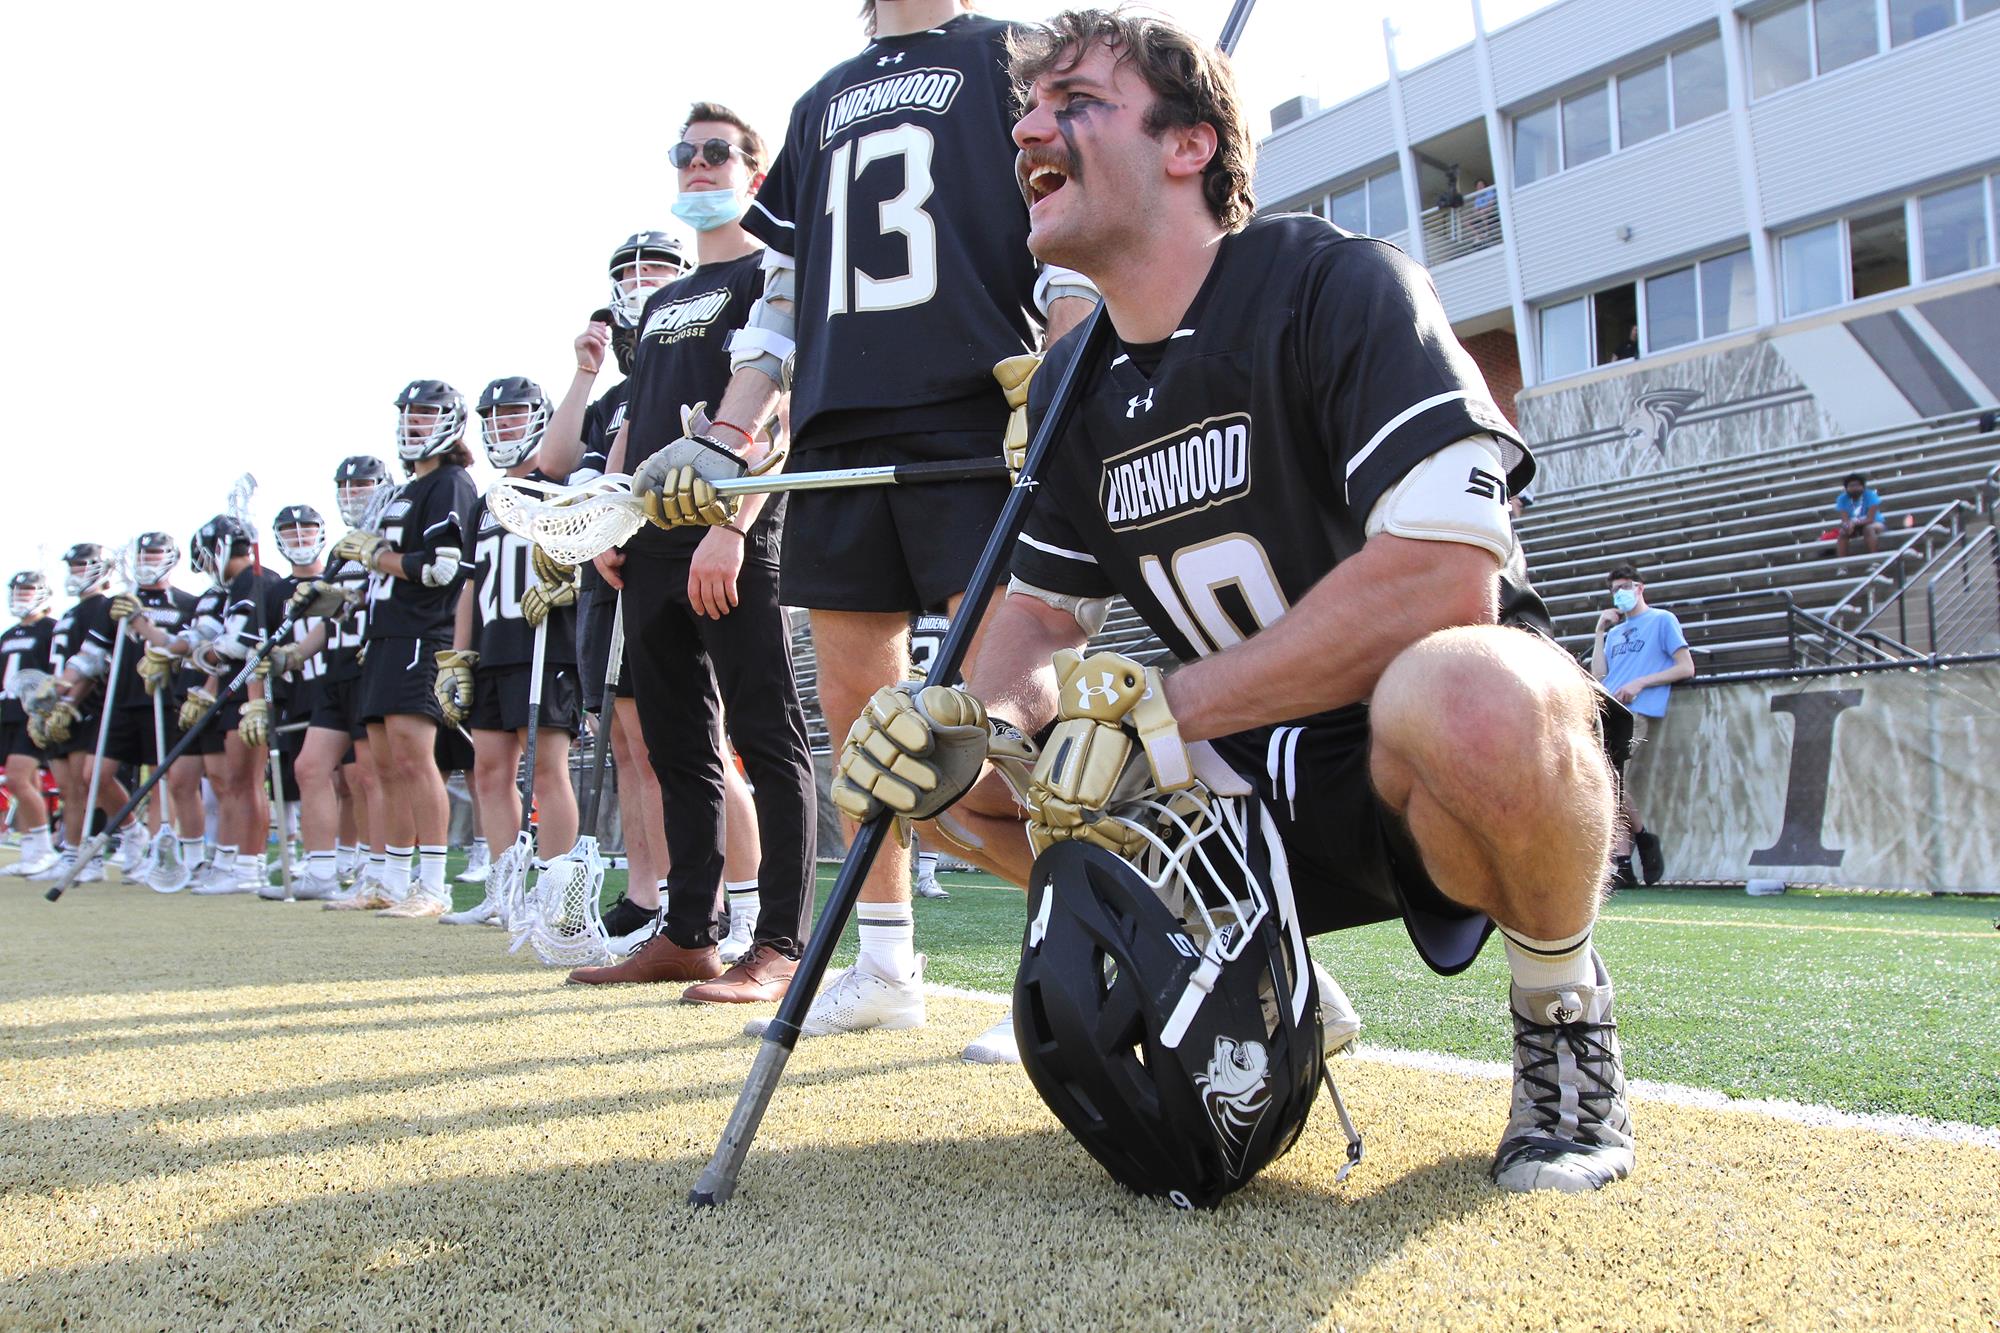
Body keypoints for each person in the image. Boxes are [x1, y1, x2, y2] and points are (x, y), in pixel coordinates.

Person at [825, 8, 1633, 1193]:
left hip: (1408, 755)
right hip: (1232, 785)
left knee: (1470, 683)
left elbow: (1443, 577)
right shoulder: (1070, 380)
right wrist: (968, 722)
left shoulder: (1336, 285)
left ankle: (1561, 1011)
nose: (1028, 129)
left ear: (1189, 144)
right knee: (935, 770)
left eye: (1075, 103)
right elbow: (1037, 621)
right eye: (1026, 112)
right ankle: (1268, 972)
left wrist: (1162, 709)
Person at [643, 0, 1096, 1051]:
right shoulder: (816, 102)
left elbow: (1066, 220)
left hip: (976, 403)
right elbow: (784, 293)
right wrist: (726, 432)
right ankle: (886, 956)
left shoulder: (1011, 52)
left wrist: (1065, 369)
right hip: (841, 429)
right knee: (858, 713)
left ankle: (1087, 934)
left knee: (1009, 716)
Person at [566, 102, 816, 1002]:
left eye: (719, 153)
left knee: (765, 735)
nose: (698, 167)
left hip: (734, 537)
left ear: (754, 173)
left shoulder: (773, 272)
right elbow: (638, 420)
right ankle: (688, 932)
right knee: (678, 747)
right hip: (653, 547)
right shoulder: (665, 299)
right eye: (686, 154)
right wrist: (611, 522)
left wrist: (734, 525)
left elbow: (780, 401)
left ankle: (782, 943)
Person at [541, 233, 692, 936]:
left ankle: (704, 895)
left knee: (679, 745)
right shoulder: (615, 396)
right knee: (630, 746)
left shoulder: (683, 371)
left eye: (657, 269)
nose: (642, 283)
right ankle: (644, 891)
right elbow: (556, 458)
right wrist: (584, 371)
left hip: (659, 560)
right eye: (630, 274)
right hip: (604, 577)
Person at [435, 377, 583, 927]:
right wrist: (458, 657)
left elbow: (587, 550)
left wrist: (571, 581)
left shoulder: (560, 484)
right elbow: (470, 586)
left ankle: (556, 895)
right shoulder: (483, 503)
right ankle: (505, 892)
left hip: (544, 643)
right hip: (494, 648)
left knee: (547, 768)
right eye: (494, 417)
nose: (504, 426)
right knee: (489, 770)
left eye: (515, 414)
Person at [332, 381, 478, 916]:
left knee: (417, 762)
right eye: (408, 414)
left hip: (423, 633)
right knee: (383, 765)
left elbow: (444, 567)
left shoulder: (450, 483)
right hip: (385, 636)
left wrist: (378, 555)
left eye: (426, 413)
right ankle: (389, 878)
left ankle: (433, 884)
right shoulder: (400, 492)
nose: (413, 423)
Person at [280, 459, 387, 905]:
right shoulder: (342, 548)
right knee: (309, 767)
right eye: (345, 485)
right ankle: (322, 870)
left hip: (368, 665)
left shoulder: (389, 538)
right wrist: (294, 654)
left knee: (366, 775)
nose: (353, 492)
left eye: (361, 484)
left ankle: (376, 868)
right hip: (335, 671)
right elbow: (332, 612)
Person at [1591, 563, 1694, 888]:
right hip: (1610, 709)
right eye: (1615, 590)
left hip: (1636, 710)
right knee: (1611, 782)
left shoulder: (1662, 620)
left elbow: (1685, 667)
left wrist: (1642, 683)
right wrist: (1599, 632)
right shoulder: (1616, 632)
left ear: (1639, 587)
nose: (1620, 594)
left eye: (1625, 587)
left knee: (1614, 782)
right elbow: (1598, 676)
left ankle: (1625, 857)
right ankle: (1640, 843)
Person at [33, 544, 131, 885]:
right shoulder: (69, 614)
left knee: (86, 781)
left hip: (86, 705)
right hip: (63, 704)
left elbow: (95, 662)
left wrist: (70, 703)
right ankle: (73, 853)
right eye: (72, 565)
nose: (75, 571)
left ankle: (103, 848)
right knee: (68, 788)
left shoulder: (103, 607)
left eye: (82, 564)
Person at [104, 533, 199, 879]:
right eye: (144, 554)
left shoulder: (187, 602)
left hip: (166, 698)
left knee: (165, 777)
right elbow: (92, 654)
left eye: (156, 553)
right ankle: (132, 833)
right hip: (123, 699)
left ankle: (160, 844)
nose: (149, 559)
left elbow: (190, 648)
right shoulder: (119, 603)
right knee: (96, 774)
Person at [0, 572, 60, 877]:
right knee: (28, 783)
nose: (22, 595)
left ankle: (45, 848)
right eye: (18, 590)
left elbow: (57, 671)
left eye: (28, 589)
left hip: (33, 716)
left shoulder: (51, 629)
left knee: (16, 779)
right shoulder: (9, 635)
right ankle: (30, 851)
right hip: (7, 713)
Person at [1834, 472, 1885, 557]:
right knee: (1843, 533)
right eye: (1851, 486)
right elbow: (1845, 519)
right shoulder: (1842, 499)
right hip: (1854, 526)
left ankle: (1875, 560)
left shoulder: (1871, 495)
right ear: (1846, 488)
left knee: (1868, 528)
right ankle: (1842, 565)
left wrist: (1853, 523)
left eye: (1857, 485)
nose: (1854, 488)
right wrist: (1847, 526)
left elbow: (1870, 519)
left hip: (1875, 523)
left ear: (1863, 486)